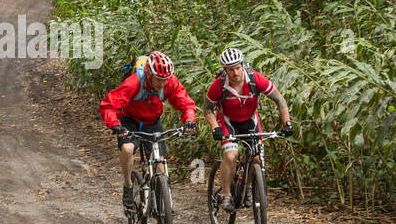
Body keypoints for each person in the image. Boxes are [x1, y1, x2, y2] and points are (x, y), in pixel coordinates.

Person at [100, 51, 197, 211]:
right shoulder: (134, 82)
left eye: (165, 80)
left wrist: (189, 120)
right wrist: (115, 125)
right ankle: (128, 185)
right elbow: (108, 104)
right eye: (159, 80)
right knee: (127, 148)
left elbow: (186, 103)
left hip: (152, 122)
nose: (162, 84)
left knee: (159, 162)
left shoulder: (169, 82)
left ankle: (164, 203)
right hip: (130, 120)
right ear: (150, 74)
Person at [203, 47, 292, 209]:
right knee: (231, 155)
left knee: (256, 157)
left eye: (238, 67)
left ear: (242, 65)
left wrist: (287, 123)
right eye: (231, 70)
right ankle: (226, 194)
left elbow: (280, 100)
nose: (235, 72)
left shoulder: (255, 79)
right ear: (225, 70)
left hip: (250, 120)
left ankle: (248, 187)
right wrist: (215, 127)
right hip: (228, 122)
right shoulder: (219, 85)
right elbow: (207, 109)